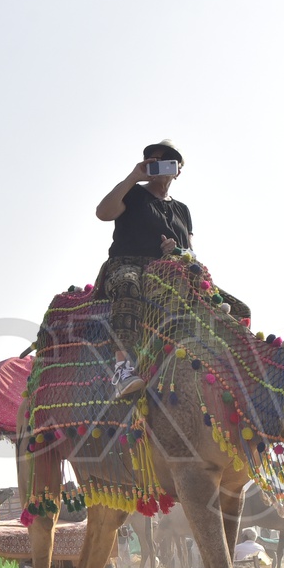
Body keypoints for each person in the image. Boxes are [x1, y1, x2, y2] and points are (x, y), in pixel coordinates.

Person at [94, 141, 194, 398]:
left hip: (168, 269)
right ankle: (122, 370)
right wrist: (134, 177)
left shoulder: (182, 210)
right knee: (129, 285)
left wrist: (178, 251)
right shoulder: (133, 193)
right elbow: (103, 213)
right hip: (127, 264)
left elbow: (191, 252)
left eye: (167, 159)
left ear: (177, 170)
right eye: (153, 158)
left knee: (229, 306)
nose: (158, 162)